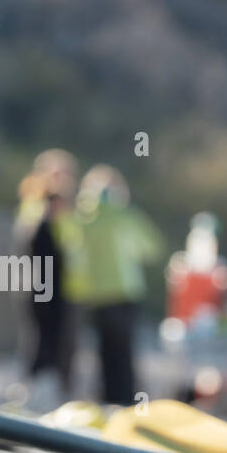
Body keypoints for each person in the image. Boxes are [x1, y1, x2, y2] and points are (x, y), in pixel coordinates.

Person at [64, 165, 165, 406]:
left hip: (95, 293)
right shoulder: (125, 216)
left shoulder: (81, 217)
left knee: (103, 350)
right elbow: (152, 248)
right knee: (125, 351)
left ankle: (108, 398)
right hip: (125, 291)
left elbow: (69, 248)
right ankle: (125, 399)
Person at [14, 150, 78, 403]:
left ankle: (61, 386)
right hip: (39, 281)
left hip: (64, 285)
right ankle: (34, 382)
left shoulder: (70, 210)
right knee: (39, 333)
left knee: (65, 336)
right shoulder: (35, 207)